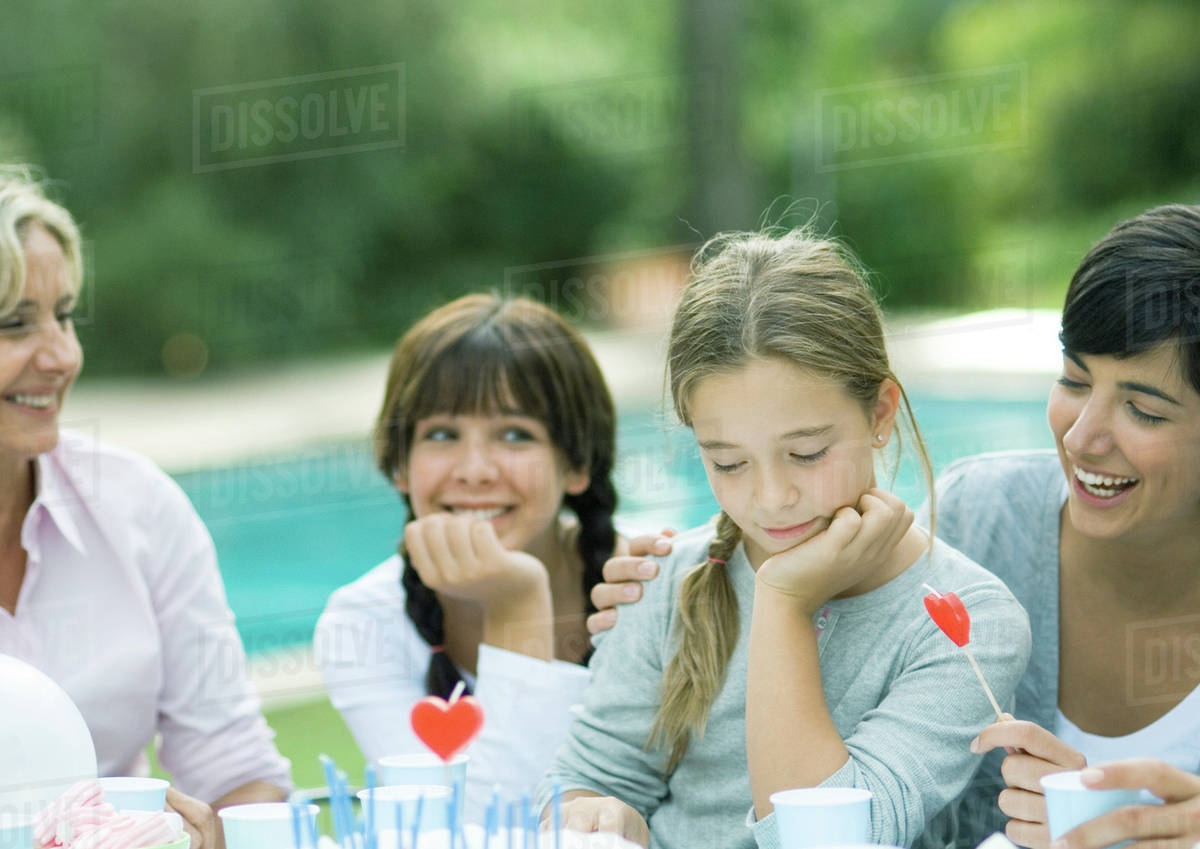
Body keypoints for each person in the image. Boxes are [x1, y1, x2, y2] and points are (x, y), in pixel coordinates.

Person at [599, 206, 1200, 849]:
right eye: (1073, 380)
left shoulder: (978, 604)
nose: (1082, 437)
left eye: (1143, 410)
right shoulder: (982, 514)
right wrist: (657, 591)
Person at [537, 228, 1031, 849]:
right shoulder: (664, 579)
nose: (770, 499)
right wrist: (603, 816)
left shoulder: (967, 622)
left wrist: (784, 603)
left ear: (880, 413)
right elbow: (584, 780)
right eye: (728, 463)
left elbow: (832, 839)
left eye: (806, 452)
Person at [0, 172, 290, 847]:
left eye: (64, 314)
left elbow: (239, 776)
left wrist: (210, 836)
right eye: (14, 323)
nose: (62, 354)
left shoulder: (140, 508)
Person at [314, 293, 621, 823]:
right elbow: (465, 831)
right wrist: (516, 606)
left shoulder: (653, 584)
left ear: (578, 463)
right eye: (441, 434)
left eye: (514, 434)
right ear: (400, 467)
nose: (474, 470)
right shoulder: (364, 622)